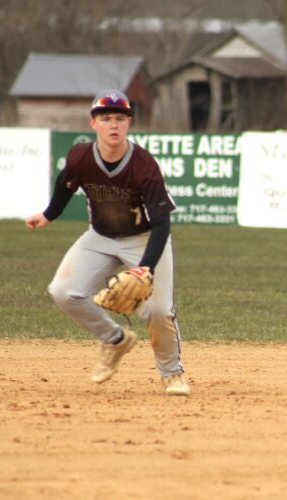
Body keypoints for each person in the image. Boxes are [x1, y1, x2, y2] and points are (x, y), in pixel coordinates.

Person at [26, 90, 190, 395]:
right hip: (100, 237)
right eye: (105, 118)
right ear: (93, 123)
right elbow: (65, 184)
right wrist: (49, 214)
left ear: (128, 123)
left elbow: (162, 223)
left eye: (119, 118)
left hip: (144, 239)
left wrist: (145, 269)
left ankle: (172, 374)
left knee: (157, 310)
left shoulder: (144, 166)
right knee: (63, 292)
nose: (112, 125)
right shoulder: (80, 157)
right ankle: (115, 339)